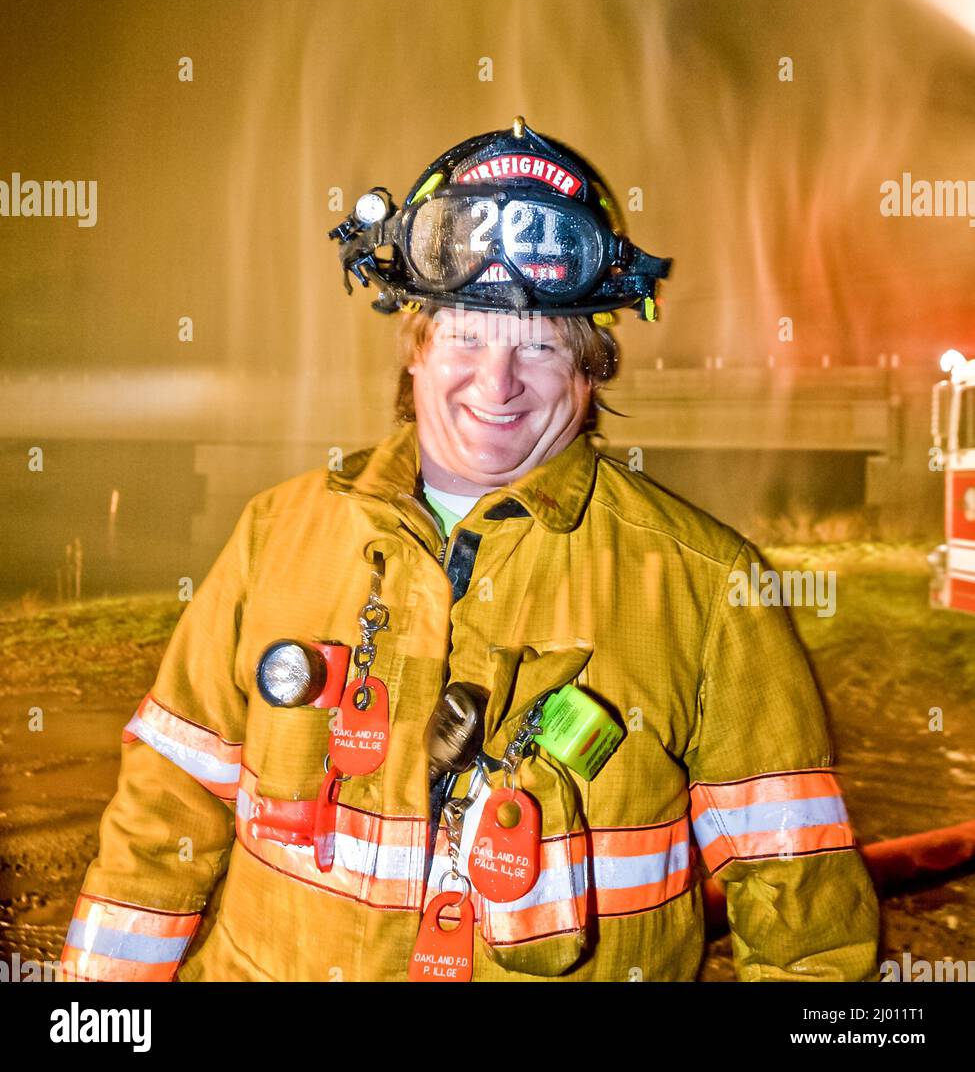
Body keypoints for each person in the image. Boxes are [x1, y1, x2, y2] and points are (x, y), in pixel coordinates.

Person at [61, 117, 879, 982]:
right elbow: (160, 823)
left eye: (539, 344)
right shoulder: (275, 535)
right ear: (414, 353)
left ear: (590, 371)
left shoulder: (707, 585)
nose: (497, 383)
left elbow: (804, 924)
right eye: (466, 335)